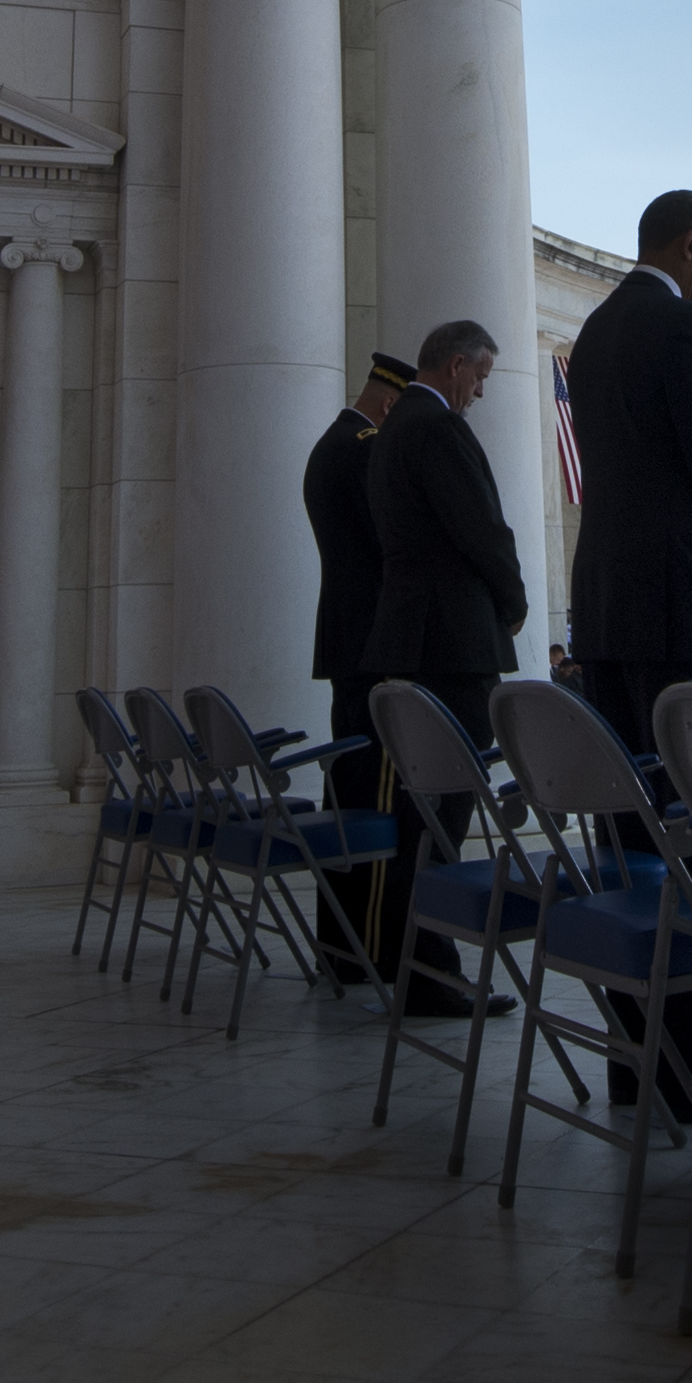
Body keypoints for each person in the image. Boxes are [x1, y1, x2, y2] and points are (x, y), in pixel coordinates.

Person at [363, 319, 530, 1019]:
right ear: (457, 366)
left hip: (410, 637)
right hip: (451, 646)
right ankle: (431, 975)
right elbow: (481, 529)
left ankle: (417, 966)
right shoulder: (438, 430)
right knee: (442, 815)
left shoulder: (392, 431)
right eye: (482, 377)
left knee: (419, 812)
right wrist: (513, 600)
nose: (483, 393)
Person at [564, 188, 692, 754]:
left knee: (633, 801)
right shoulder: (686, 325)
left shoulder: (591, 333)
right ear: (691, 243)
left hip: (605, 607)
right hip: (681, 609)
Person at [304, 349, 414, 982]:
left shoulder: (331, 443)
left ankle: (340, 944)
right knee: (374, 802)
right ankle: (372, 949)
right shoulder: (366, 446)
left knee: (348, 796)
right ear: (391, 403)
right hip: (374, 646)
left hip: (349, 646)